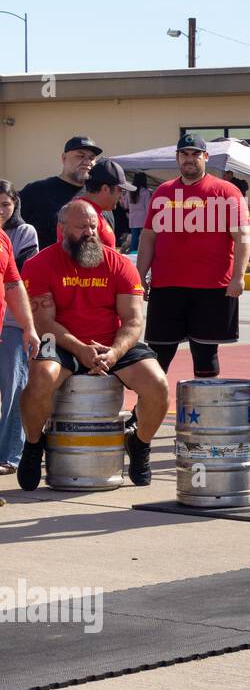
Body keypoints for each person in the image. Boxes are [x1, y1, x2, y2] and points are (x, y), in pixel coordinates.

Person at [17, 199, 168, 491]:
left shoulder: (121, 265)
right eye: (81, 227)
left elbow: (134, 322)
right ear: (61, 229)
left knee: (158, 384)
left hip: (111, 343)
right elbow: (44, 323)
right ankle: (34, 445)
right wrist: (80, 349)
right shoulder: (39, 265)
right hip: (61, 341)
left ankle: (139, 443)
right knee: (39, 378)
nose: (89, 232)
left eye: (93, 226)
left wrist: (114, 353)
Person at [136, 134, 250, 381]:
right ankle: (143, 415)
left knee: (205, 355)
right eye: (184, 154)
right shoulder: (163, 192)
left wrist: (238, 277)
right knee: (158, 355)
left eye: (195, 154)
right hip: (167, 286)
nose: (189, 159)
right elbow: (148, 237)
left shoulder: (226, 191)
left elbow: (242, 237)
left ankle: (207, 413)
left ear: (206, 157)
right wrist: (140, 276)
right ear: (177, 158)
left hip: (212, 288)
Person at [0, 182, 39, 474]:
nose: (1, 211)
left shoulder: (8, 240)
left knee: (13, 387)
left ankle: (9, 454)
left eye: (5, 204)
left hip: (10, 325)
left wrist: (28, 327)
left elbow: (14, 284)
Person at [19, 136, 102, 250]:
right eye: (80, 156)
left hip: (87, 265)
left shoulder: (97, 195)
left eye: (92, 158)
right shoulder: (37, 191)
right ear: (64, 158)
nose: (87, 162)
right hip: (45, 265)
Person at [56, 159, 133, 250]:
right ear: (105, 189)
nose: (121, 196)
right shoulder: (81, 214)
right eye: (120, 190)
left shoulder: (94, 211)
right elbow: (73, 257)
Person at [125, 172, 153, 253]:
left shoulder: (129, 192)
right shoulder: (146, 192)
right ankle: (143, 253)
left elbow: (126, 205)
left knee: (134, 239)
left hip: (133, 219)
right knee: (144, 239)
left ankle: (132, 254)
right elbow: (148, 208)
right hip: (143, 219)